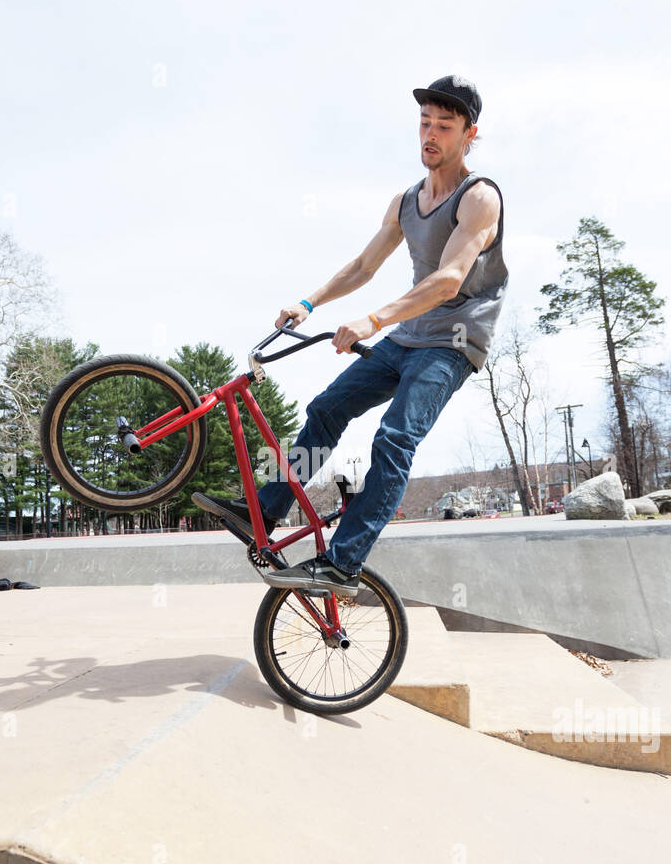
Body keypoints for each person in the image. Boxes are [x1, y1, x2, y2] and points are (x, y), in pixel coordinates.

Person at [192, 73, 509, 596]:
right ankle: (263, 514)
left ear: (470, 134)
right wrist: (309, 302)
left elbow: (450, 278)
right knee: (325, 408)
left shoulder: (481, 198)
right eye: (425, 124)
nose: (431, 135)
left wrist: (373, 320)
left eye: (445, 127)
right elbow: (365, 264)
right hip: (408, 337)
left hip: (453, 344)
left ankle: (343, 562)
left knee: (394, 438)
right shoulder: (407, 200)